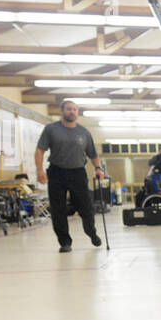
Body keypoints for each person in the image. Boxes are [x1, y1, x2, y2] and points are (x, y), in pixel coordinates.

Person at [35, 100, 104, 253]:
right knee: (58, 209)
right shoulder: (51, 129)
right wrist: (39, 170)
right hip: (56, 172)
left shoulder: (84, 132)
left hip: (78, 172)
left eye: (74, 109)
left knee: (86, 207)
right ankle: (65, 242)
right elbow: (40, 150)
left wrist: (98, 168)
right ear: (62, 111)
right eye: (69, 109)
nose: (72, 112)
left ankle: (91, 232)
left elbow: (93, 154)